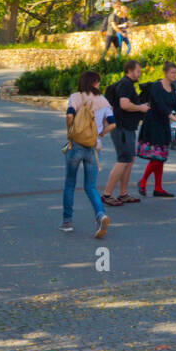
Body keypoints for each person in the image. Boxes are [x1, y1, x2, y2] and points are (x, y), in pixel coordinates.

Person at [62, 70, 112, 237]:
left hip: (76, 145)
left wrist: (70, 130)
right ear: (93, 83)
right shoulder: (104, 101)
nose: (99, 85)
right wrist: (102, 132)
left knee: (70, 183)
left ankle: (67, 221)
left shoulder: (76, 97)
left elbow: (70, 115)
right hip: (93, 147)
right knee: (90, 186)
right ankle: (100, 214)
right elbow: (113, 124)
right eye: (97, 82)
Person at [101, 59, 148, 205]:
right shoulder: (126, 84)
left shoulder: (125, 84)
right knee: (123, 159)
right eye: (138, 71)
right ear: (130, 71)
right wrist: (141, 108)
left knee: (129, 158)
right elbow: (124, 104)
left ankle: (123, 193)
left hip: (125, 127)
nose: (139, 74)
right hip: (122, 128)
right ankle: (107, 194)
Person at [136, 60, 176, 198]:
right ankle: (142, 181)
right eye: (172, 72)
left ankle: (158, 187)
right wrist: (173, 117)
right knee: (157, 156)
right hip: (153, 123)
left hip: (163, 124)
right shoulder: (156, 86)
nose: (175, 75)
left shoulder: (172, 87)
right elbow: (160, 105)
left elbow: (175, 104)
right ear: (165, 73)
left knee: (161, 157)